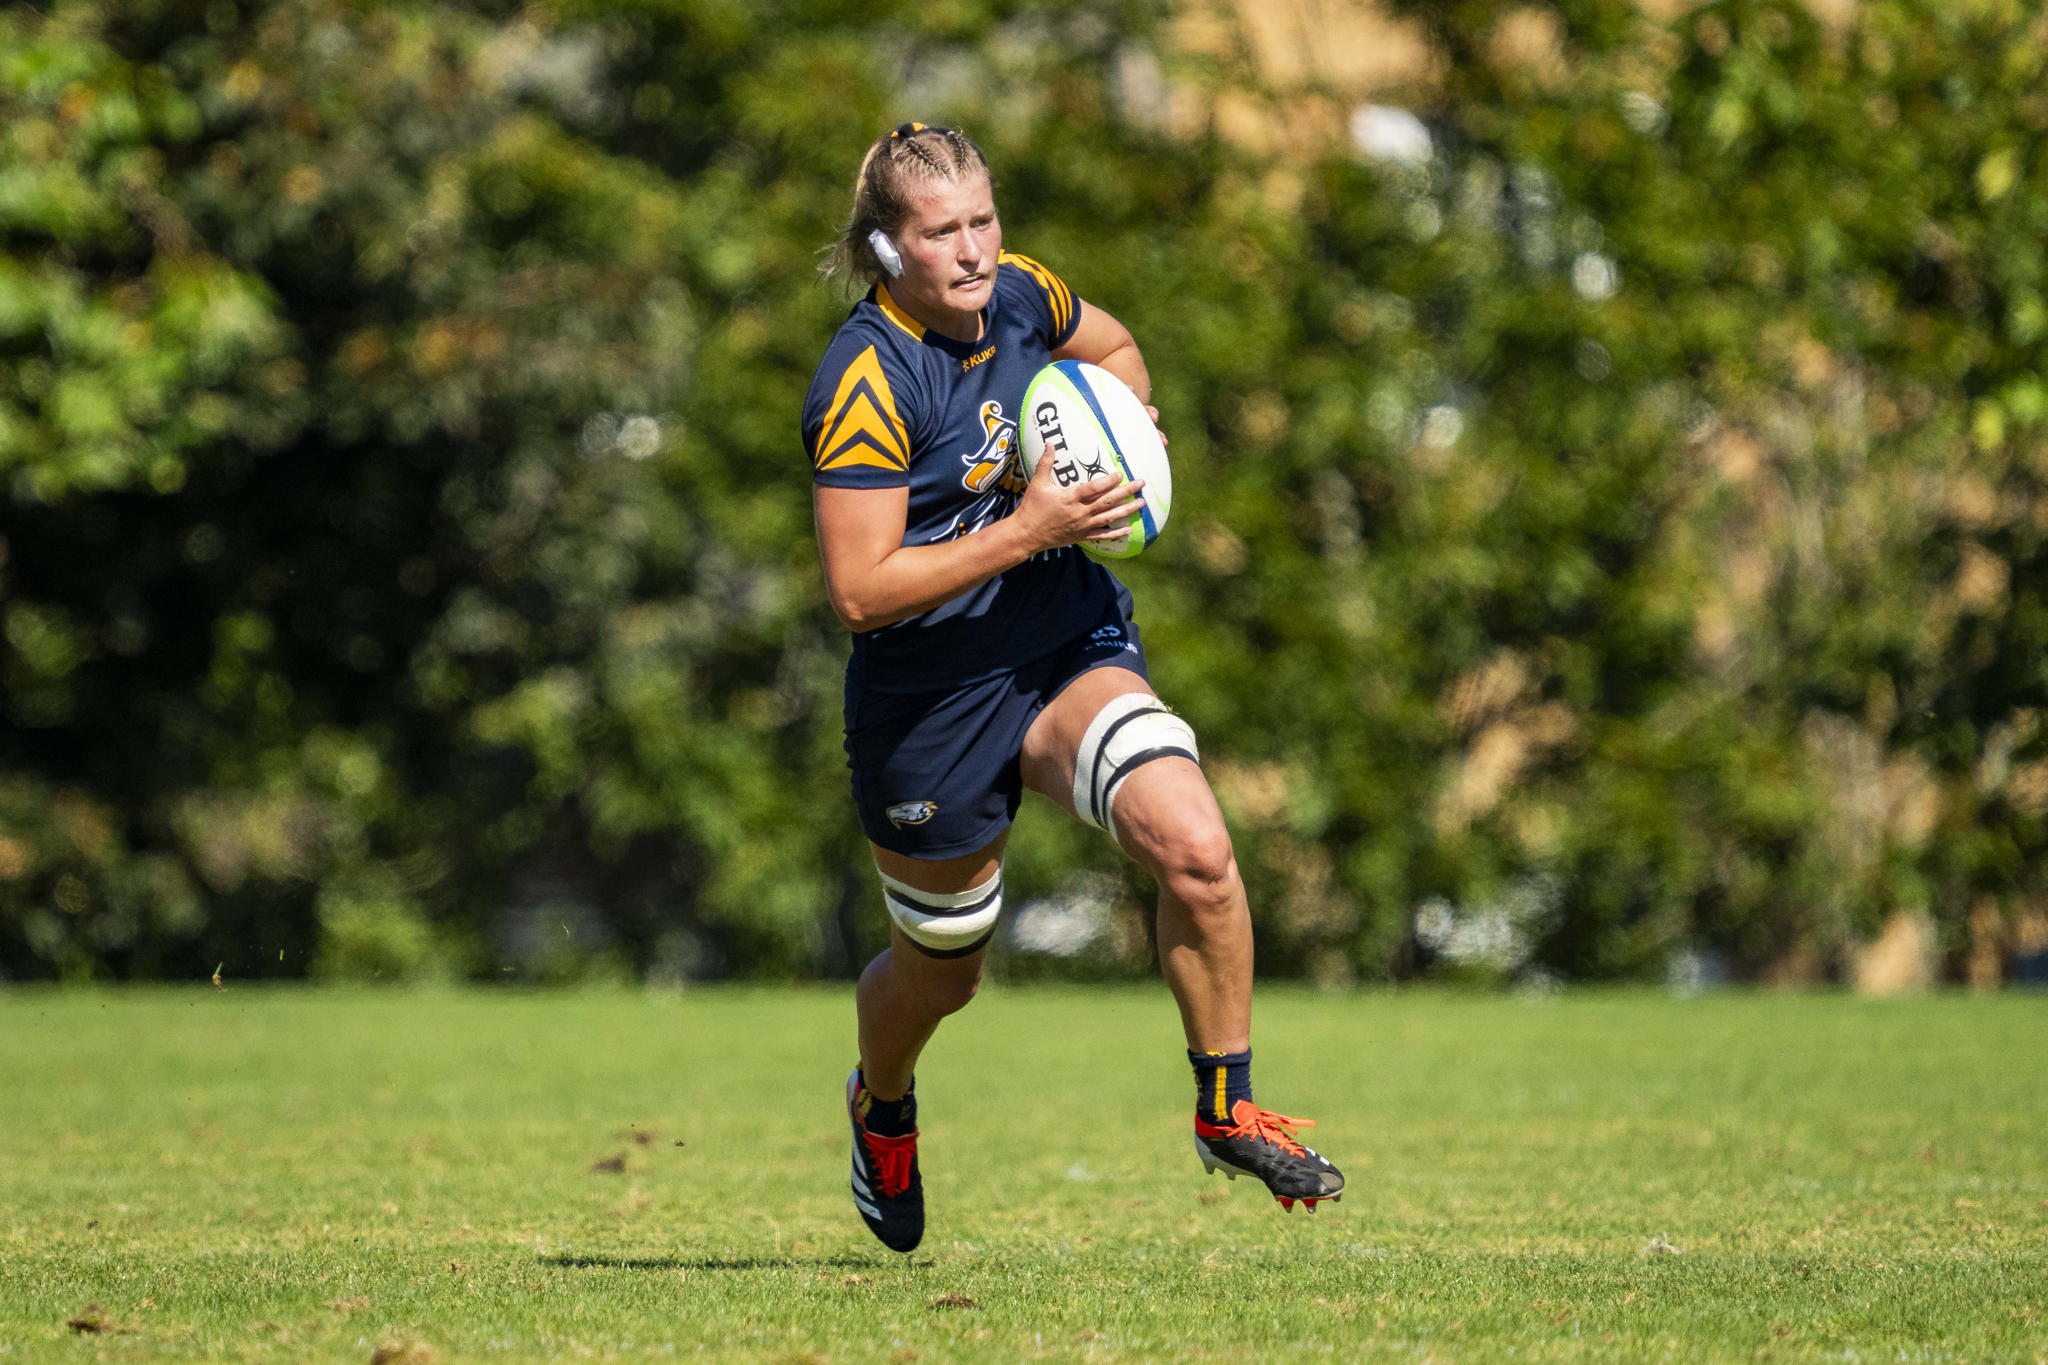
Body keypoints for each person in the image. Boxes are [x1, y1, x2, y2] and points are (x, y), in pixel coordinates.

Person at [802, 122, 1343, 1254]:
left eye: (982, 220)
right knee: (943, 973)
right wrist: (1027, 525)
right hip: (928, 703)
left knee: (1193, 845)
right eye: (940, 232)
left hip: (1057, 641)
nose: (971, 251)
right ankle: (881, 1106)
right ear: (886, 249)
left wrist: (1128, 442)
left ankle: (1225, 1105)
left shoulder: (1022, 296)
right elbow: (859, 590)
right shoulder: (864, 379)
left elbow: (1119, 349)